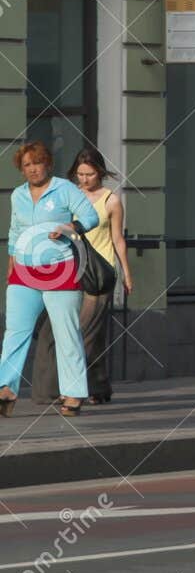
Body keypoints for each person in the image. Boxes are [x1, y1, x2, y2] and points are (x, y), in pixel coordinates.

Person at [0, 142, 99, 418]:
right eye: (27, 165)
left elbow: (91, 216)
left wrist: (72, 228)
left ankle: (74, 393)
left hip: (60, 269)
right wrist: (11, 262)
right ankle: (6, 389)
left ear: (48, 164)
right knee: (15, 332)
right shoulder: (18, 195)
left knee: (65, 332)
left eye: (37, 163)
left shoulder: (64, 189)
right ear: (22, 169)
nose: (32, 169)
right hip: (23, 270)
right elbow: (15, 228)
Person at [32, 148, 130, 405]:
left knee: (83, 332)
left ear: (100, 171)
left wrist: (126, 274)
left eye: (90, 174)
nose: (84, 179)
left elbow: (118, 239)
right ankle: (98, 387)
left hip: (100, 273)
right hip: (71, 270)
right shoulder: (68, 197)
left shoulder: (111, 201)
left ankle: (72, 389)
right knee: (91, 335)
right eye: (80, 174)